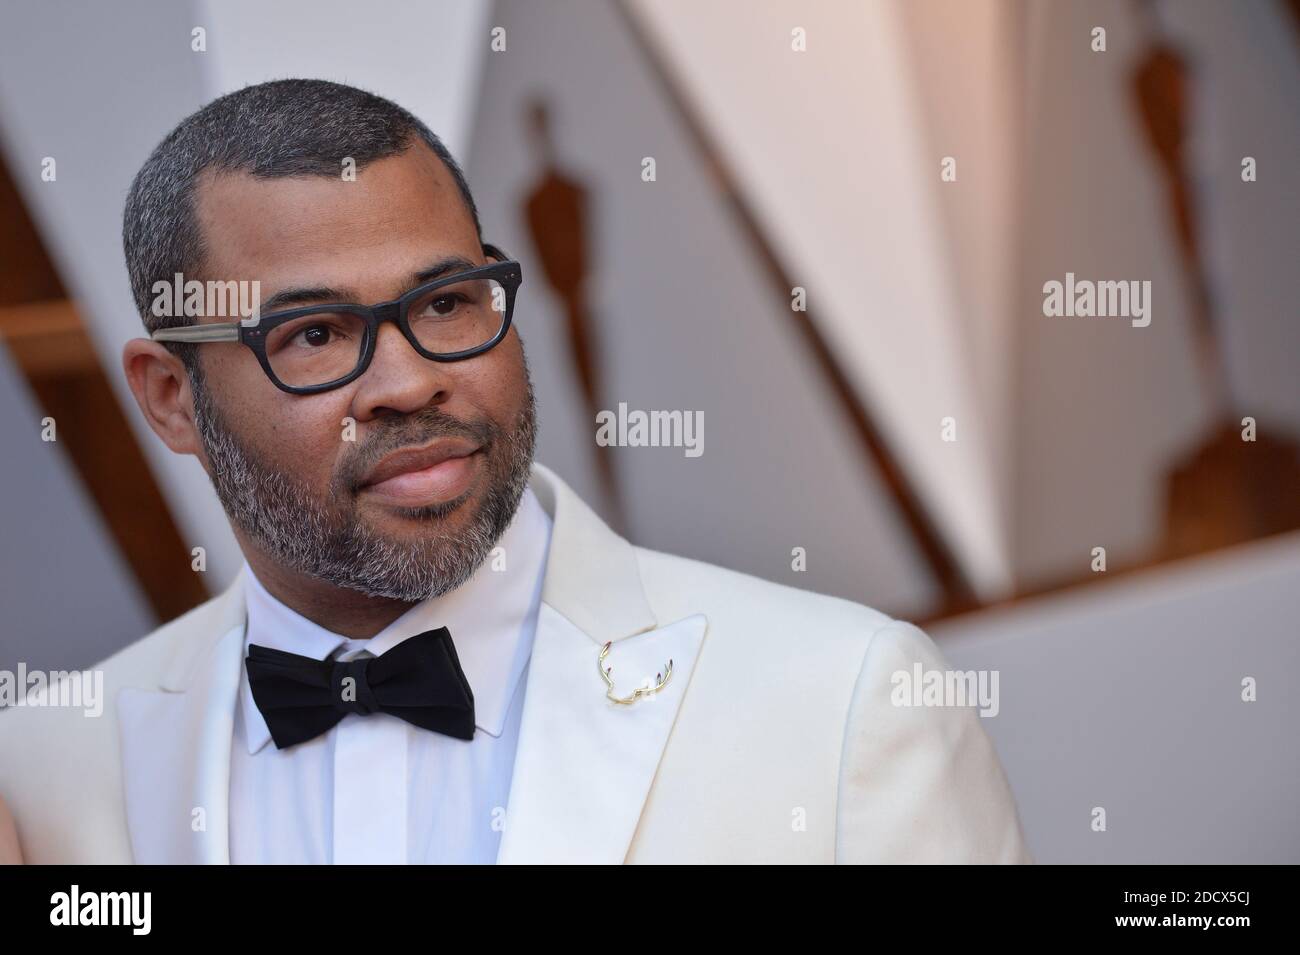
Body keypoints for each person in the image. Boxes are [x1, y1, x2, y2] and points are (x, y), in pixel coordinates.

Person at [0, 79, 1029, 864]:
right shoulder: (49, 768)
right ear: (171, 396)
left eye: (447, 303)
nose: (408, 381)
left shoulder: (843, 704)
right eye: (314, 333)